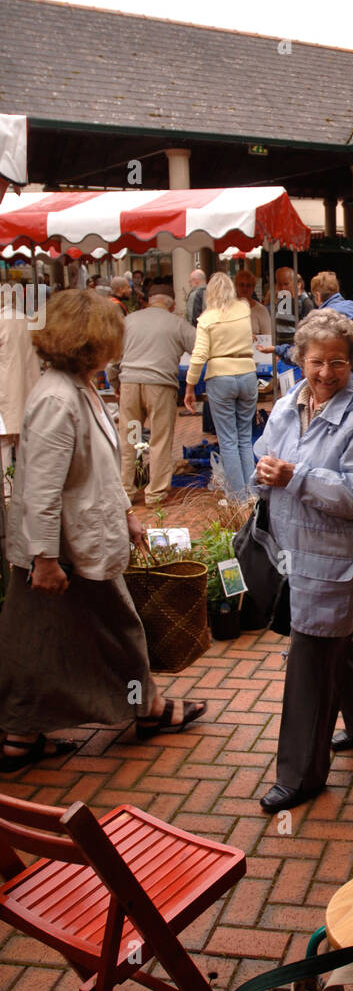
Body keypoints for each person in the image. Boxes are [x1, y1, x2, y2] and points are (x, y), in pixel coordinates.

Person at [0, 290, 207, 769]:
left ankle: (20, 736)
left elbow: (95, 471)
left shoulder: (75, 387)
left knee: (37, 641)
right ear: (90, 343)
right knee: (118, 630)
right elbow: (40, 489)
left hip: (72, 544)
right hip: (66, 550)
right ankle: (146, 708)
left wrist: (126, 515)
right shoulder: (58, 398)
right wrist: (46, 559)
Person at [253, 309, 353, 812]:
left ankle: (301, 775)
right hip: (295, 552)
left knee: (310, 663)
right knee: (335, 636)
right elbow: (265, 452)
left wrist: (295, 476)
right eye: (316, 361)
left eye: (338, 362)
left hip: (336, 558)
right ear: (301, 359)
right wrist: (266, 469)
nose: (325, 373)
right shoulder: (291, 401)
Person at [118, 285, 196, 508]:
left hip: (130, 384)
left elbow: (113, 355)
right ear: (172, 305)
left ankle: (126, 490)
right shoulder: (177, 323)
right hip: (160, 386)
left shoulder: (129, 320)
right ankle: (155, 494)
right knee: (159, 438)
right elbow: (200, 347)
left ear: (149, 301)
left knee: (130, 438)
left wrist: (116, 382)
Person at [183, 272, 257, 501]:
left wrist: (189, 386)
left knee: (228, 440)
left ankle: (237, 499)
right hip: (247, 373)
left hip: (220, 376)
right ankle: (252, 494)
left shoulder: (206, 319)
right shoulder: (244, 308)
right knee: (245, 437)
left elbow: (199, 355)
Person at [0, 311, 40, 494]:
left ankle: (8, 490)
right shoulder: (28, 321)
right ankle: (26, 487)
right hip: (29, 388)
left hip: (6, 390)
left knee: (4, 442)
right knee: (24, 441)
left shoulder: (2, 321)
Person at [235, 268, 271, 337]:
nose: (245, 288)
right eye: (241, 285)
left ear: (253, 287)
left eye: (248, 285)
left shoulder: (261, 310)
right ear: (236, 286)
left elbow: (267, 337)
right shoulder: (229, 307)